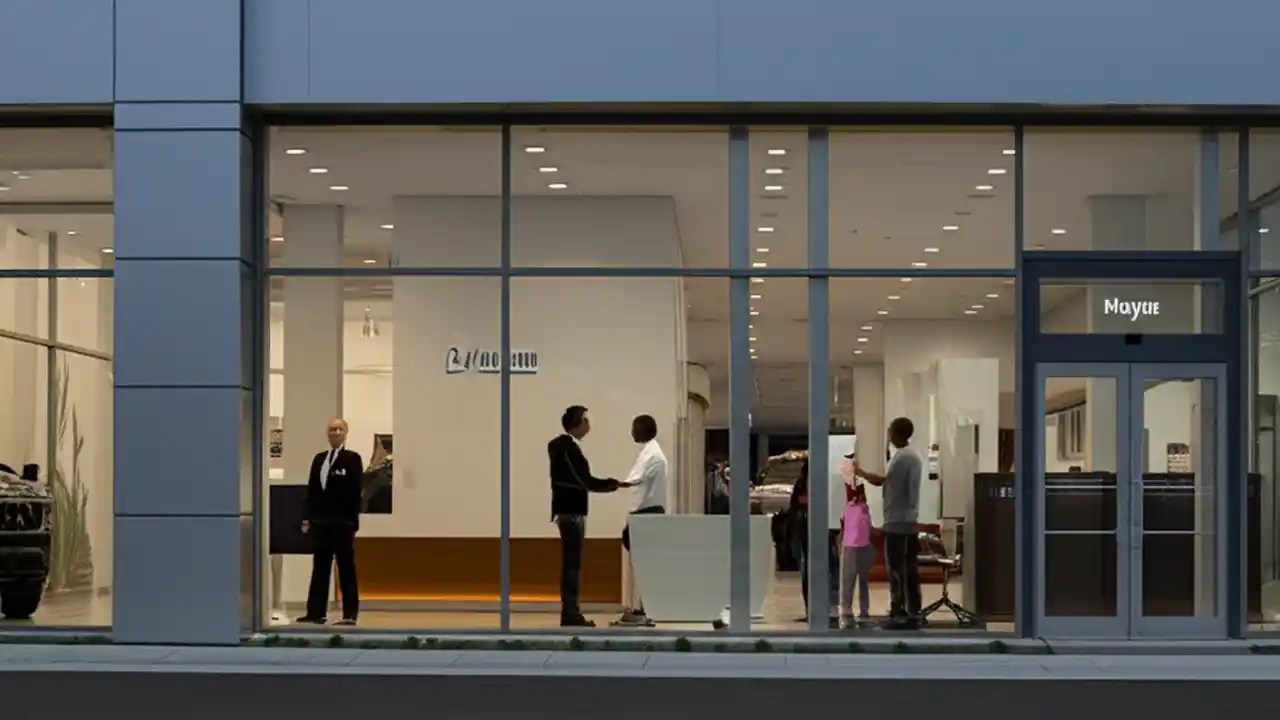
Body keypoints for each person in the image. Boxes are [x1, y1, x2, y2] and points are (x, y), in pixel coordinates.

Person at [548, 405, 621, 628]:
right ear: (577, 423)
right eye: (586, 421)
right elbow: (582, 480)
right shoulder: (565, 447)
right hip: (571, 511)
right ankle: (570, 613)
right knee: (572, 564)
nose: (589, 425)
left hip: (571, 511)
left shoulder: (567, 447)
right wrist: (609, 484)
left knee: (572, 563)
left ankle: (571, 611)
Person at [853, 417, 924, 629]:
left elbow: (882, 481)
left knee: (896, 568)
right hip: (908, 520)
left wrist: (860, 472)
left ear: (898, 433)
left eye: (891, 431)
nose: (889, 436)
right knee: (909, 568)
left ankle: (899, 611)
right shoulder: (913, 457)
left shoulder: (902, 458)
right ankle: (913, 610)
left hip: (898, 521)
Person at [297, 418, 365, 626]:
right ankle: (315, 612)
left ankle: (349, 614)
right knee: (320, 567)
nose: (335, 432)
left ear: (346, 433)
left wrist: (353, 521)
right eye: (332, 429)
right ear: (327, 434)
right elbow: (312, 491)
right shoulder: (319, 459)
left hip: (342, 523)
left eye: (339, 429)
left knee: (346, 568)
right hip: (320, 522)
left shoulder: (352, 459)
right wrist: (307, 517)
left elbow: (356, 493)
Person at [613, 414, 666, 627]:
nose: (631, 432)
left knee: (642, 564)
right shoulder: (650, 452)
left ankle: (642, 609)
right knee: (642, 563)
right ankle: (640, 607)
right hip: (646, 513)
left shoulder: (652, 454)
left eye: (634, 428)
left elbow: (635, 480)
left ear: (643, 429)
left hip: (646, 514)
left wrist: (613, 484)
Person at [839, 482, 873, 629]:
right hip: (850, 545)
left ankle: (863, 608)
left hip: (862, 545)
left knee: (862, 580)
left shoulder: (864, 508)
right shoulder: (849, 507)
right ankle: (846, 608)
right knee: (849, 579)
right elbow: (843, 524)